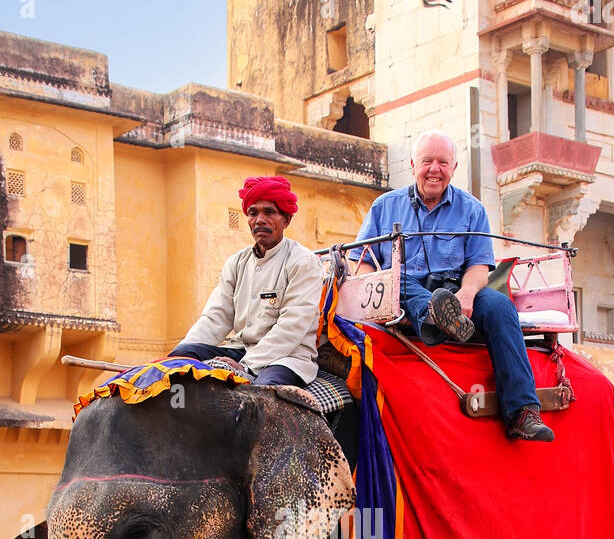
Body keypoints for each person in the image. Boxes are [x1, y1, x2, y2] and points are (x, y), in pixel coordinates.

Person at [353, 131, 553, 441]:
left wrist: (467, 296)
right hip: (405, 288)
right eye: (427, 162)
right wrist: (377, 285)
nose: (434, 169)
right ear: (412, 165)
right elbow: (362, 261)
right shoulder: (384, 206)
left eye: (443, 163)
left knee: (500, 306)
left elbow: (479, 268)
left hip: (456, 290)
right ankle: (435, 316)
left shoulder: (472, 209)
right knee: (397, 279)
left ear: (454, 168)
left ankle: (522, 411)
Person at [171, 175, 323, 388]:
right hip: (239, 349)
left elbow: (292, 326)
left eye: (269, 212)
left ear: (286, 220)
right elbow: (216, 317)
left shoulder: (303, 262)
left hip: (287, 357)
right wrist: (175, 358)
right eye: (253, 213)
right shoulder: (237, 262)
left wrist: (246, 366)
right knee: (181, 357)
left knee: (263, 391)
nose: (259, 219)